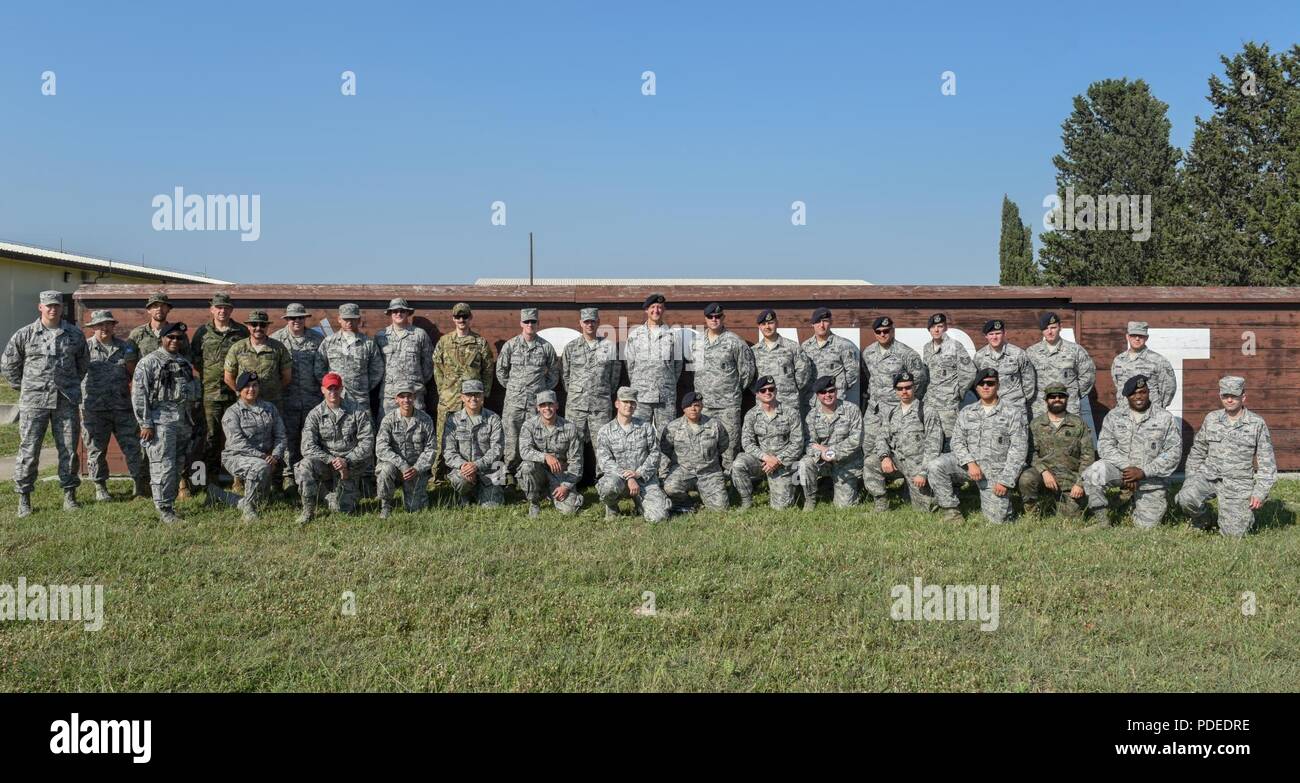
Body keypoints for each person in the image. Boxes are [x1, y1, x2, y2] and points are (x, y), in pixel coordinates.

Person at [2, 290, 88, 516]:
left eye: (56, 305)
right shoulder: (26, 334)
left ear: (61, 308)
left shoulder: (74, 335)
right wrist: (25, 387)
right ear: (40, 307)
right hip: (34, 402)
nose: (52, 309)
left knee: (69, 449)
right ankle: (24, 498)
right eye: (48, 305)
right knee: (29, 450)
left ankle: (69, 495)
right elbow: (9, 364)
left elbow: (83, 364)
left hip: (65, 401)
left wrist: (69, 384)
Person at [1176, 376, 1276, 537]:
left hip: (1238, 482)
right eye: (1225, 396)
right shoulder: (1212, 419)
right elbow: (1198, 451)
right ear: (1220, 396)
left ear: (1243, 397)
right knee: (1186, 498)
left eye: (1234, 396)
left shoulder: (1256, 424)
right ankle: (1204, 520)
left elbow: (1267, 463)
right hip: (1209, 476)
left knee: (1233, 535)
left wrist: (1260, 492)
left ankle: (1238, 519)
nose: (1229, 400)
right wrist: (1191, 478)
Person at [927, 368, 1029, 524]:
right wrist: (970, 462)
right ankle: (951, 511)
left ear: (998, 385)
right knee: (936, 465)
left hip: (995, 472)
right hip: (969, 467)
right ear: (976, 387)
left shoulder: (1013, 413)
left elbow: (1019, 449)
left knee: (999, 521)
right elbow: (957, 441)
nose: (986, 387)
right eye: (981, 384)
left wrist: (1005, 481)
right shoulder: (967, 412)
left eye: (990, 383)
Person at [1081, 375, 1181, 529]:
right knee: (1093, 473)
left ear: (1149, 392)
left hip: (1151, 479)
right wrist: (1128, 467)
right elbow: (1105, 446)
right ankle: (1102, 521)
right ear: (1127, 396)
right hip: (1122, 471)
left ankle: (1127, 503)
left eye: (1143, 392)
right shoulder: (1114, 416)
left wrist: (1143, 472)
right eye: (1133, 394)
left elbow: (1173, 452)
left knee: (1145, 529)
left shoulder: (1164, 418)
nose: (1139, 397)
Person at [131, 321, 202, 523]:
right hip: (160, 422)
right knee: (163, 465)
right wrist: (145, 423)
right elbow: (139, 394)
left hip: (182, 422)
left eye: (179, 338)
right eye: (170, 337)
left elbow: (192, 393)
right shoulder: (149, 362)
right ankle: (164, 509)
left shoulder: (184, 363)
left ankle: (169, 504)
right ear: (162, 338)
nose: (174, 341)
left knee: (177, 465)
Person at [128, 291, 196, 499]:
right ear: (149, 309)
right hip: (155, 411)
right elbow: (133, 369)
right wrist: (145, 420)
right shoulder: (138, 337)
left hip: (179, 414)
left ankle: (173, 491)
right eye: (155, 306)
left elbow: (188, 377)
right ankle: (145, 490)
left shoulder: (180, 351)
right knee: (155, 456)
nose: (159, 309)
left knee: (176, 457)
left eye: (163, 306)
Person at [81, 309, 147, 501]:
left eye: (107, 324)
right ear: (93, 327)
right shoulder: (84, 348)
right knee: (96, 450)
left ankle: (138, 485)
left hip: (122, 408)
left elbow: (134, 373)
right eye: (100, 325)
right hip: (94, 409)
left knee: (133, 448)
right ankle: (100, 487)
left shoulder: (125, 348)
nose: (104, 328)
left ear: (113, 326)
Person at [296, 371, 375, 523]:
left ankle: (329, 494)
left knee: (343, 510)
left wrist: (347, 461)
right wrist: (331, 460)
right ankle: (308, 511)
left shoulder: (357, 411)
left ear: (341, 389)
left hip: (350, 467)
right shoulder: (315, 414)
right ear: (323, 390)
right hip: (326, 464)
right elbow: (307, 446)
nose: (332, 392)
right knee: (305, 465)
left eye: (335, 388)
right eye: (329, 389)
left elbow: (367, 442)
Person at [191, 292, 249, 496]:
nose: (222, 311)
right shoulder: (202, 332)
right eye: (218, 307)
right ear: (212, 309)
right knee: (211, 438)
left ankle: (238, 479)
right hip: (211, 395)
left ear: (231, 310)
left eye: (226, 307)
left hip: (236, 394)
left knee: (237, 437)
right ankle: (211, 480)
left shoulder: (241, 331)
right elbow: (195, 359)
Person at [865, 371, 942, 513]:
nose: (904, 391)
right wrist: (884, 457)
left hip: (918, 465)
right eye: (900, 389)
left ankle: (921, 492)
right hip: (897, 461)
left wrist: (924, 472)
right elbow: (882, 437)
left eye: (908, 387)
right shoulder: (892, 413)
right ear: (896, 391)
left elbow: (934, 446)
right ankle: (881, 504)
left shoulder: (927, 411)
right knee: (871, 462)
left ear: (914, 388)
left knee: (925, 510)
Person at [431, 302, 495, 476]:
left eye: (464, 316)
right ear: (453, 319)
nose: (461, 320)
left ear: (470, 318)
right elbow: (437, 367)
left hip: (472, 401)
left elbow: (488, 369)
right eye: (458, 316)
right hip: (449, 399)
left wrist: (484, 394)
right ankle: (437, 475)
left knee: (473, 438)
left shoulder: (480, 342)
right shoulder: (444, 342)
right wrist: (442, 390)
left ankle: (474, 473)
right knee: (442, 437)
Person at [495, 307, 560, 474]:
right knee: (511, 438)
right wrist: (514, 388)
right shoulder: (511, 345)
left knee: (535, 438)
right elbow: (501, 371)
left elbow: (554, 372)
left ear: (538, 323)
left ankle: (532, 473)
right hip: (514, 403)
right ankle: (509, 474)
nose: (530, 324)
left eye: (533, 321)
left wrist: (542, 391)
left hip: (535, 404)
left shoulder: (546, 347)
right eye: (526, 321)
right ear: (521, 323)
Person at [691, 302, 755, 471]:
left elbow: (747, 372)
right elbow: (694, 370)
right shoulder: (696, 343)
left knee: (730, 447)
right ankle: (710, 483)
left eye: (718, 316)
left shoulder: (735, 342)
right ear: (705, 319)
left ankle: (732, 484)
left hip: (728, 405)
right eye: (710, 317)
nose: (714, 319)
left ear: (723, 317)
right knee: (705, 445)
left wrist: (731, 391)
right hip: (704, 405)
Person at [270, 303, 325, 494]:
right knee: (288, 439)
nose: (296, 321)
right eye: (292, 318)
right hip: (287, 399)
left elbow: (324, 368)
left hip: (312, 399)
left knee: (311, 440)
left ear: (305, 319)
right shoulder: (276, 340)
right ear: (286, 320)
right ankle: (288, 477)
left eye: (300, 318)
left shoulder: (318, 340)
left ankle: (311, 476)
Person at [1017, 384, 1095, 518]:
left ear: (1067, 399)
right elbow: (1030, 453)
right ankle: (1032, 516)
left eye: (1061, 396)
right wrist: (1044, 471)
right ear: (1046, 400)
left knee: (1071, 520)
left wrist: (1080, 484)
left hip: (1070, 477)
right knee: (1026, 478)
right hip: (1043, 474)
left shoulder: (1078, 424)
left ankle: (1062, 503)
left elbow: (1088, 457)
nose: (1057, 399)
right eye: (1052, 397)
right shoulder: (1036, 424)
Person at [561, 306, 620, 482]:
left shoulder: (609, 347)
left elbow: (614, 376)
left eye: (593, 321)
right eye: (586, 321)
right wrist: (577, 394)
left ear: (598, 323)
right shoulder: (571, 347)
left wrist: (601, 392)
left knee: (602, 444)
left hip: (600, 404)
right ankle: (573, 479)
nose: (590, 324)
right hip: (576, 405)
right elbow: (565, 375)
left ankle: (603, 480)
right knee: (574, 443)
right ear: (580, 323)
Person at [595, 387, 671, 522]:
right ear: (617, 404)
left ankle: (640, 503)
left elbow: (655, 453)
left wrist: (638, 474)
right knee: (607, 487)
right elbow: (605, 461)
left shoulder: (646, 427)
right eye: (625, 402)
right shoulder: (605, 431)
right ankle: (612, 507)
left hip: (644, 481)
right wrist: (629, 478)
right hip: (618, 481)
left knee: (658, 517)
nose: (629, 405)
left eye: (632, 402)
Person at [220, 371, 288, 522]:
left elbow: (281, 436)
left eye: (254, 385)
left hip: (267, 459)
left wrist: (275, 456)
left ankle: (219, 495)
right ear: (238, 390)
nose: (251, 389)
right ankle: (249, 511)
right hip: (236, 456)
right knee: (259, 467)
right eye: (247, 386)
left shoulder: (270, 408)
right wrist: (263, 457)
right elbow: (237, 443)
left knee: (263, 501)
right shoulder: (232, 413)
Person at [731, 375, 805, 510]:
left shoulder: (791, 413)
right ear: (757, 394)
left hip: (784, 462)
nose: (767, 392)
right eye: (763, 390)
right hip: (761, 460)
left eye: (771, 389)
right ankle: (746, 501)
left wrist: (777, 460)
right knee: (738, 464)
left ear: (776, 391)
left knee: (782, 508)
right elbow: (747, 442)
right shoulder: (752, 415)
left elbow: (798, 443)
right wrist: (766, 458)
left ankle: (794, 487)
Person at [860, 315, 927, 454]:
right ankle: (872, 473)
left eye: (886, 330)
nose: (883, 334)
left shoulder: (907, 353)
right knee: (868, 445)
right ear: (874, 333)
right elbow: (868, 375)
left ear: (892, 330)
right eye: (879, 332)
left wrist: (907, 402)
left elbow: (919, 380)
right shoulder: (868, 352)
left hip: (896, 408)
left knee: (899, 445)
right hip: (874, 409)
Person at [798, 376, 864, 510]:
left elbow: (856, 439)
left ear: (836, 391)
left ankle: (853, 487)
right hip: (823, 461)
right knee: (804, 463)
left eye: (831, 391)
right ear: (817, 395)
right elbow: (808, 442)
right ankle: (810, 499)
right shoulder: (812, 416)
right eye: (823, 392)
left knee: (844, 507)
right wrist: (821, 453)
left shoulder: (851, 410)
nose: (828, 395)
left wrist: (830, 451)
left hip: (846, 462)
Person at [516, 390, 584, 517]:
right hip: (539, 472)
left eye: (550, 404)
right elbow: (524, 451)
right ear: (537, 408)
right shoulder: (529, 426)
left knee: (569, 511)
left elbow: (577, 461)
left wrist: (566, 486)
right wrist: (546, 457)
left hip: (560, 475)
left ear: (557, 405)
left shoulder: (569, 427)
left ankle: (551, 493)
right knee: (526, 466)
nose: (547, 408)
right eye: (542, 405)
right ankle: (534, 503)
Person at [374, 383, 438, 518]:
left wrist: (416, 468)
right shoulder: (388, 420)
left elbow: (431, 449)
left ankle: (412, 494)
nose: (406, 400)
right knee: (385, 469)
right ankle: (386, 505)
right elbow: (381, 448)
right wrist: (402, 465)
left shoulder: (425, 420)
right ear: (396, 399)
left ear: (414, 397)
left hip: (415, 470)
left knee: (415, 509)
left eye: (409, 396)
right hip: (396, 468)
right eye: (402, 397)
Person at [661, 391, 731, 513]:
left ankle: (708, 493)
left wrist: (708, 459)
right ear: (683, 408)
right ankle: (686, 504)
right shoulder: (672, 427)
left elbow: (723, 445)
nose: (693, 409)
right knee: (670, 487)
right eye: (689, 405)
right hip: (683, 470)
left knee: (721, 509)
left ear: (701, 407)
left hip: (709, 472)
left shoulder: (714, 425)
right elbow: (665, 450)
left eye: (697, 405)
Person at [443, 379, 507, 508]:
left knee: (493, 507)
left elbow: (497, 449)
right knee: (460, 480)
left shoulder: (493, 418)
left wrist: (476, 465)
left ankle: (481, 493)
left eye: (477, 394)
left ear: (483, 397)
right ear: (462, 397)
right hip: (464, 470)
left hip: (489, 469)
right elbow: (448, 451)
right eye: (469, 395)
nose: (473, 398)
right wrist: (464, 466)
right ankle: (465, 494)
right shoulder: (453, 420)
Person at [625, 293, 683, 435]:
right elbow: (630, 364)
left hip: (665, 396)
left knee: (667, 436)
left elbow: (677, 365)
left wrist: (667, 383)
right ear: (646, 310)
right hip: (641, 395)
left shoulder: (673, 335)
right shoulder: (635, 335)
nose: (656, 310)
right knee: (639, 435)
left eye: (659, 307)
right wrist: (640, 383)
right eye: (652, 307)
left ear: (663, 310)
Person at [1026, 312, 1096, 420]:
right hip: (1040, 408)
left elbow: (1088, 375)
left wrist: (1072, 394)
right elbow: (1026, 379)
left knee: (1069, 436)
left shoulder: (1075, 350)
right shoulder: (1031, 352)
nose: (1049, 332)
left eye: (1053, 327)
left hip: (1068, 408)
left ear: (1060, 328)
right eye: (1046, 329)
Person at [920, 312, 976, 446]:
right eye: (933, 327)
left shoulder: (955, 346)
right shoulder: (927, 348)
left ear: (945, 328)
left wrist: (957, 393)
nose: (936, 330)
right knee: (932, 440)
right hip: (930, 404)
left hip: (948, 406)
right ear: (929, 329)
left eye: (940, 326)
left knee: (949, 441)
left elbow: (969, 372)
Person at [317, 303, 385, 410]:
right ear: (339, 319)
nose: (349, 322)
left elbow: (377, 369)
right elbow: (319, 367)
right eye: (346, 319)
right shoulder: (329, 342)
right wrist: (330, 387)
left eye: (353, 319)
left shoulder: (368, 343)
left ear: (358, 320)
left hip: (360, 398)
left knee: (364, 426)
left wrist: (363, 386)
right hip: (335, 397)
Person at [375, 298, 434, 418]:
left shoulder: (419, 334)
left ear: (407, 313)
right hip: (390, 394)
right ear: (390, 314)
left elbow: (429, 363)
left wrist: (416, 381)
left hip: (414, 393)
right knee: (387, 428)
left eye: (402, 311)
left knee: (418, 427)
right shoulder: (381, 336)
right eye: (395, 311)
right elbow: (375, 365)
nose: (398, 314)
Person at [799, 307, 859, 414]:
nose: (821, 325)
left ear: (830, 322)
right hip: (812, 402)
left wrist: (839, 390)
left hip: (835, 402)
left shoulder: (843, 345)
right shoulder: (805, 347)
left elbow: (853, 373)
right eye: (817, 322)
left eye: (825, 321)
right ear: (812, 324)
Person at [752, 308, 813, 413]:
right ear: (759, 327)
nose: (767, 327)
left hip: (788, 402)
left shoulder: (792, 347)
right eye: (764, 324)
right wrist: (760, 392)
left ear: (777, 323)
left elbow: (804, 370)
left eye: (771, 323)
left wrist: (791, 388)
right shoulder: (753, 351)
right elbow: (750, 377)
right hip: (764, 404)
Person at [974, 319, 1036, 416]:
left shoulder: (1018, 354)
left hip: (1015, 408)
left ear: (1004, 334)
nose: (995, 337)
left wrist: (1020, 400)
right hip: (990, 408)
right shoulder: (979, 357)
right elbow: (977, 382)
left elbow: (1029, 380)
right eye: (991, 334)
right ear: (986, 336)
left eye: (998, 333)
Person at [1111, 321, 1176, 411]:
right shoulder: (1118, 360)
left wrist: (1158, 409)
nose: (1137, 338)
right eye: (1133, 335)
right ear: (1127, 337)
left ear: (1146, 338)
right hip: (1124, 413)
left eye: (1141, 336)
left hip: (1150, 413)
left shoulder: (1158, 360)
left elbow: (1169, 388)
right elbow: (1118, 384)